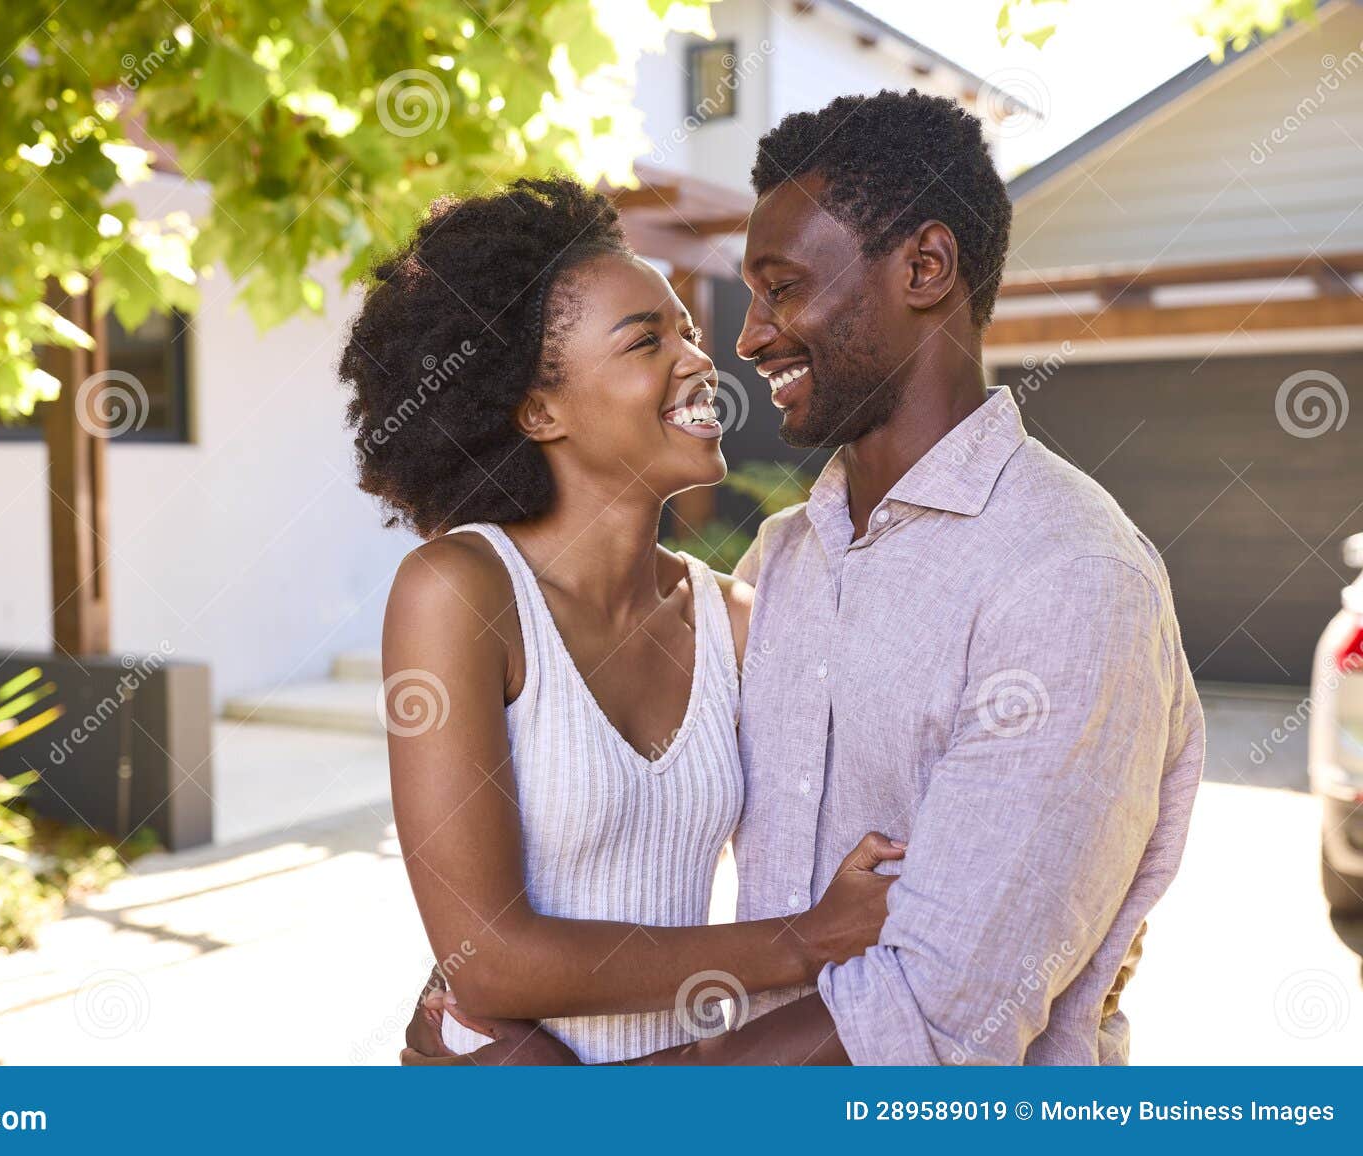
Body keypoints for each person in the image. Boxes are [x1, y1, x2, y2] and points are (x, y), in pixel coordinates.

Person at [403, 90, 1203, 1066]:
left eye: (780, 287)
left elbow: (938, 1019)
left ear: (924, 267)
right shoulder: (782, 562)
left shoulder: (1068, 575)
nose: (740, 341)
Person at [340, 175, 905, 1065]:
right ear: (537, 409)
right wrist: (806, 939)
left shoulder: (734, 623)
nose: (696, 359)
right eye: (648, 341)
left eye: (686, 329)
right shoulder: (460, 594)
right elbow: (488, 962)